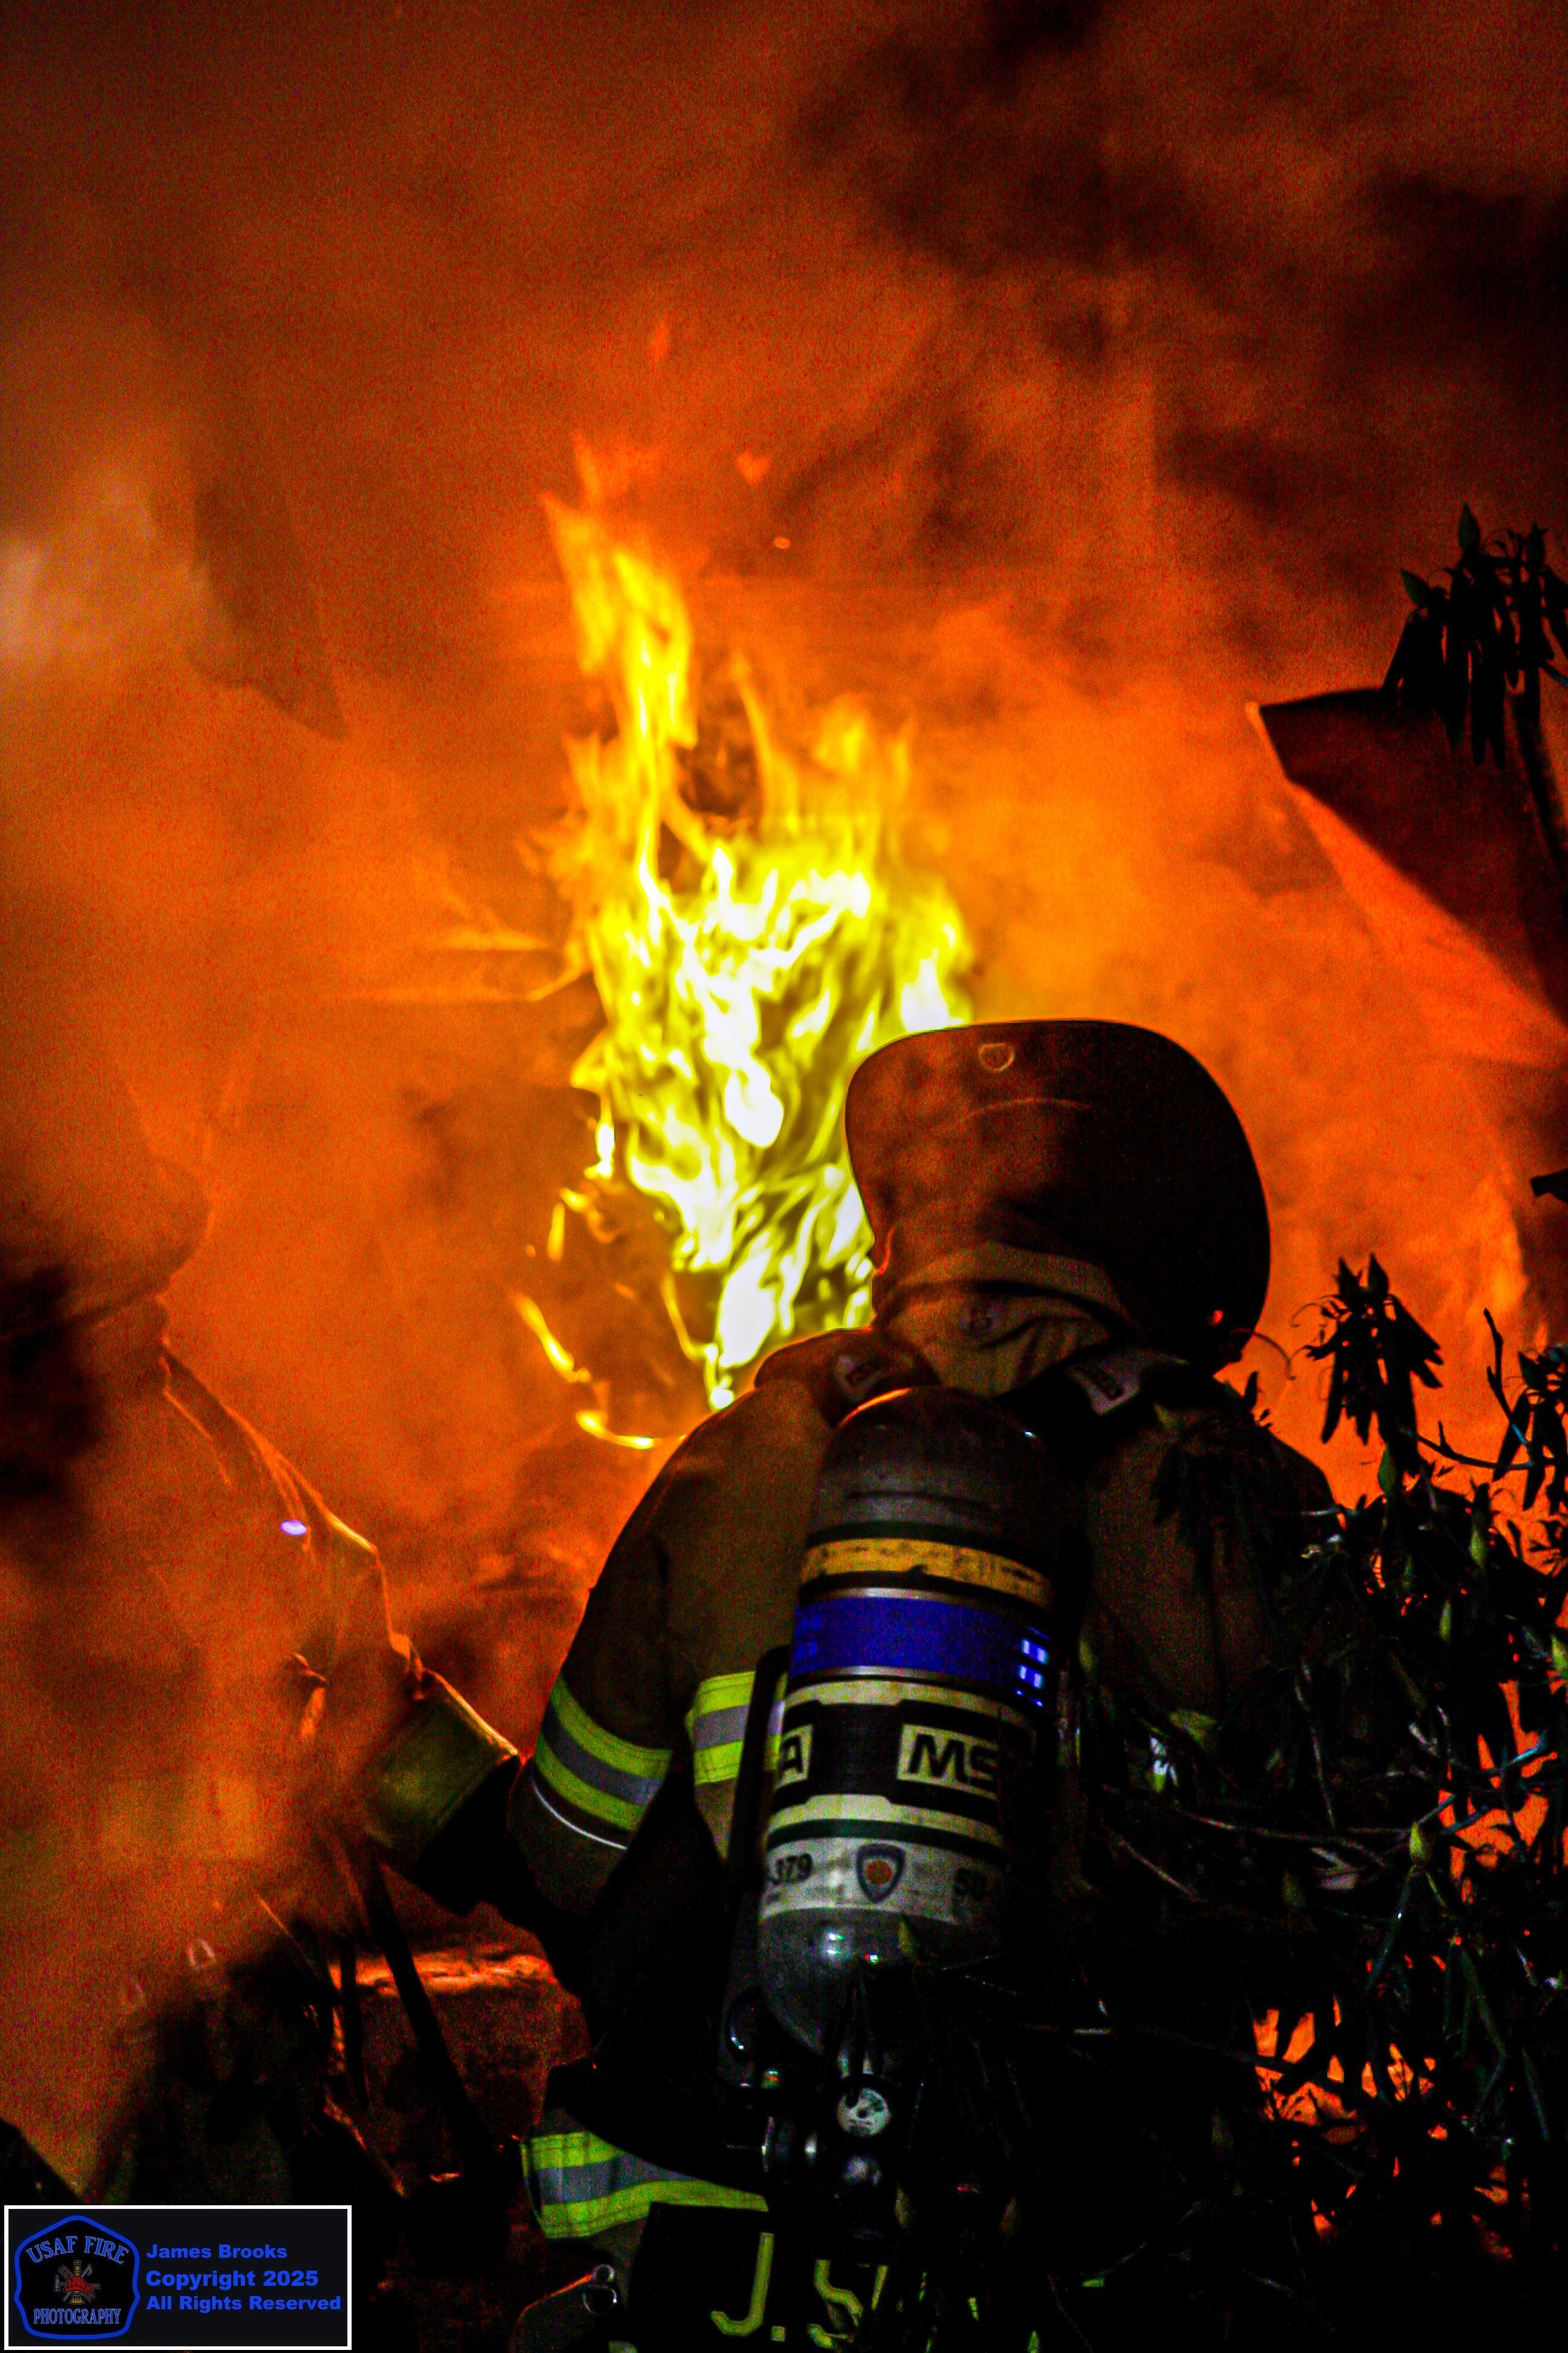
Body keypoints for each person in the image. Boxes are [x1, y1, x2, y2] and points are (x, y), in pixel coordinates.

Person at [500, 1019, 1335, 2345]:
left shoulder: (737, 1466)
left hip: (710, 2260)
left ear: (905, 1234)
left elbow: (562, 1854)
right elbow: (1349, 1896)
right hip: (1085, 2261)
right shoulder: (1231, 1502)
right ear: (1168, 1251)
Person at [0, 970, 519, 2251]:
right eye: (93, 1304)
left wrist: (554, 1857)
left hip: (213, 2125)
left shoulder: (211, 1458)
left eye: (146, 1285)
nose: (149, 1337)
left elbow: (370, 1692)